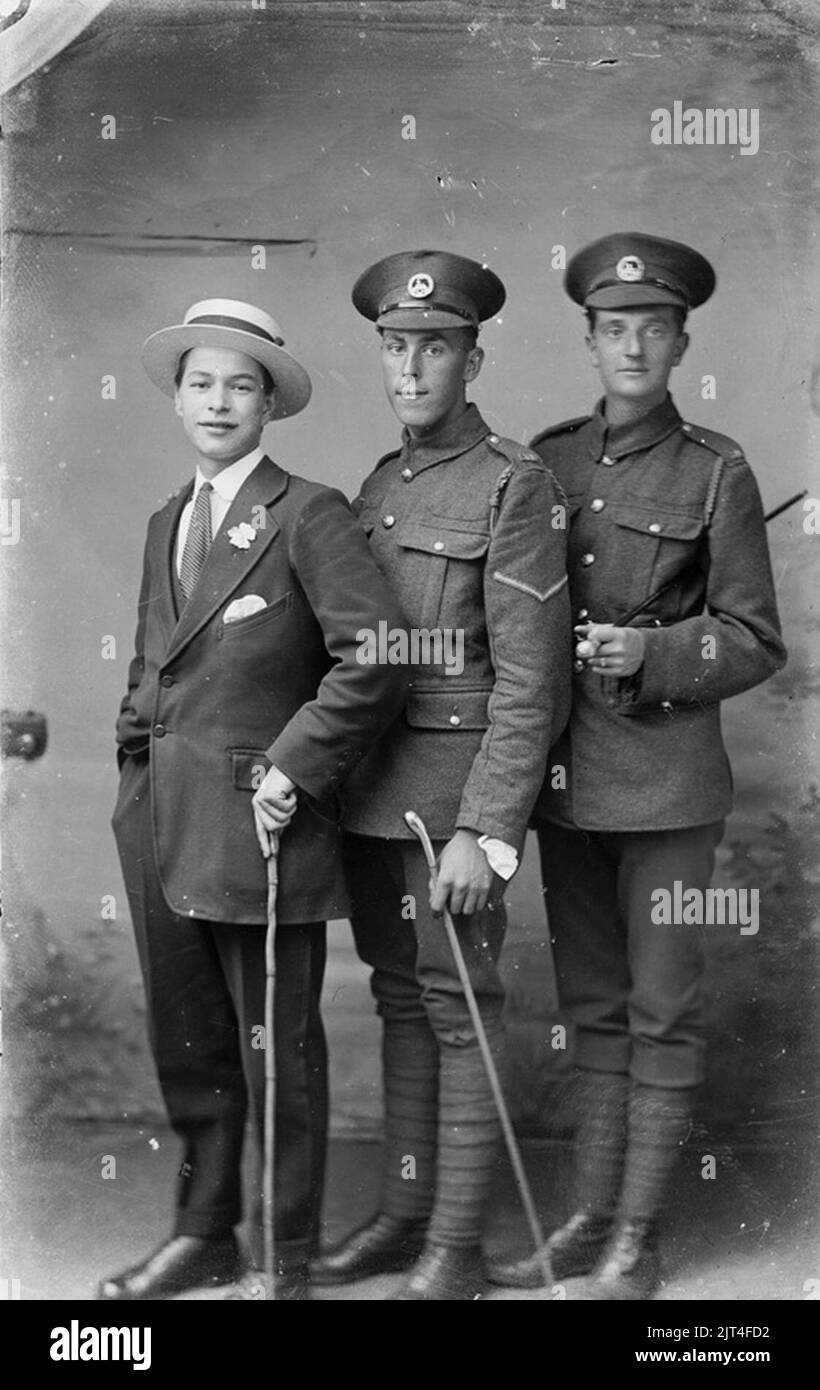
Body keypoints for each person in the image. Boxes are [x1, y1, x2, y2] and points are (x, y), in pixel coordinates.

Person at [488, 233, 787, 1299]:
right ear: (588, 340)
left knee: (660, 1006)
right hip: (567, 787)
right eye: (613, 329)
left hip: (664, 789)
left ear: (679, 342)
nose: (631, 346)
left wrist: (651, 652)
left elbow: (754, 636)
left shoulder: (717, 471)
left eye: (650, 330)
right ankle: (586, 1220)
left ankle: (636, 1242)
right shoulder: (547, 460)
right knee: (593, 1008)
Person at [102, 298, 408, 1301]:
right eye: (202, 381)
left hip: (261, 819)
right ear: (179, 397)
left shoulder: (308, 512)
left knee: (273, 1050)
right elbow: (157, 666)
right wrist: (131, 768)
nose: (220, 400)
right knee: (188, 1044)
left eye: (242, 382)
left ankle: (283, 1255)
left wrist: (292, 764)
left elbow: (376, 655)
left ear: (269, 402)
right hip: (160, 817)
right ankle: (204, 1233)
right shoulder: (164, 521)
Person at [309, 250, 572, 1300]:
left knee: (458, 1005)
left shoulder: (516, 484)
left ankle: (454, 1250)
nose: (412, 367)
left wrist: (489, 829)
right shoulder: (379, 483)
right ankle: (403, 1217)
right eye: (396, 346)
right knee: (400, 1000)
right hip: (375, 800)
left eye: (434, 347)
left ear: (473, 356)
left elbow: (531, 681)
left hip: (452, 812)